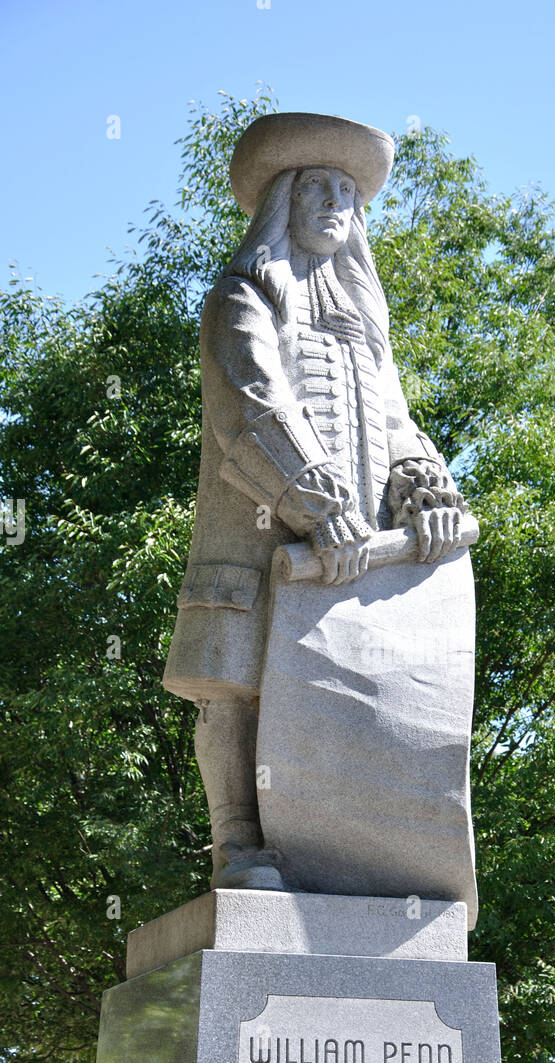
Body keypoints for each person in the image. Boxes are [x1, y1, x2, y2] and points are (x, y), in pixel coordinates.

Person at [163, 113, 468, 888]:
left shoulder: (364, 327)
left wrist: (423, 489)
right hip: (263, 527)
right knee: (236, 685)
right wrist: (314, 502)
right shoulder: (241, 297)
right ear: (284, 202)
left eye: (348, 191)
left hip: (355, 543)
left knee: (334, 682)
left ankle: (327, 848)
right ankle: (238, 843)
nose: (337, 201)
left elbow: (397, 422)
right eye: (319, 188)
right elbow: (251, 402)